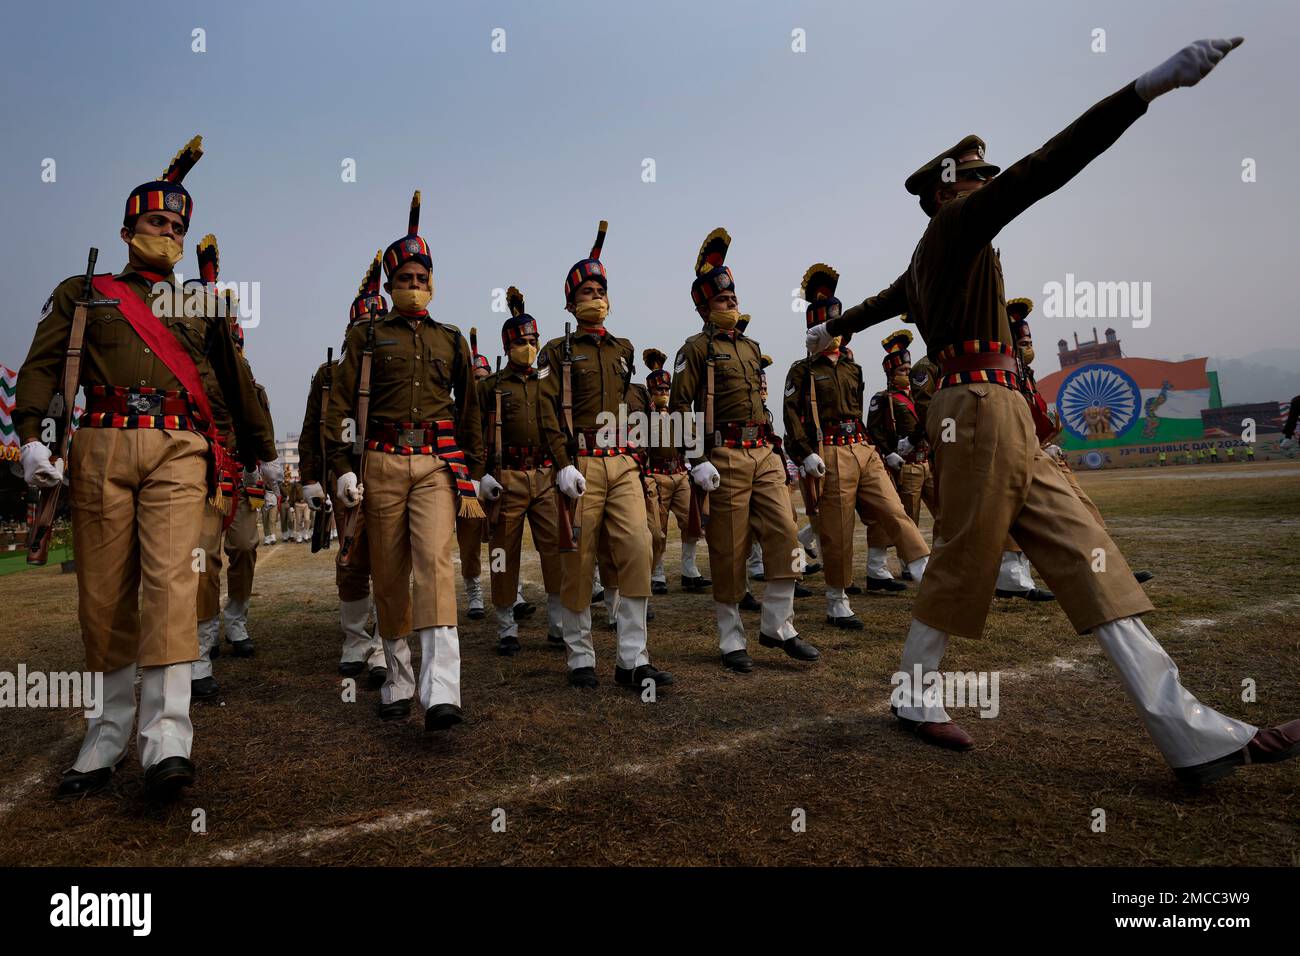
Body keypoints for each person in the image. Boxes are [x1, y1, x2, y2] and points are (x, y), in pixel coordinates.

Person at [808, 38, 1299, 785]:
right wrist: (1146, 89)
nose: (988, 187)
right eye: (976, 179)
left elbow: (882, 300)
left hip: (1003, 409)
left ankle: (1193, 735)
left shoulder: (933, 254)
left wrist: (838, 327)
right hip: (975, 406)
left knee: (1087, 556)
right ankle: (913, 696)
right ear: (947, 190)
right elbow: (1048, 166)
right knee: (965, 553)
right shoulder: (956, 228)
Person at [17, 136, 268, 798]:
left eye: (177, 226)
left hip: (179, 451)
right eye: (157, 222)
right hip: (99, 445)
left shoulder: (200, 305)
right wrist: (36, 439)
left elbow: (236, 385)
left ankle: (167, 740)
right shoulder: (83, 291)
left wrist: (261, 454)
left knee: (170, 585)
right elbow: (44, 371)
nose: (168, 233)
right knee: (101, 595)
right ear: (128, 229)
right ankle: (107, 735)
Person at [327, 191, 484, 731]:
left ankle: (442, 688)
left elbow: (471, 411)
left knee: (436, 565)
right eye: (405, 280)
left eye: (422, 279)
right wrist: (342, 465)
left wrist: (475, 468)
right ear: (390, 287)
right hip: (381, 461)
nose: (414, 287)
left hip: (437, 464)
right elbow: (341, 406)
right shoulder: (365, 337)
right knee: (389, 572)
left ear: (433, 284)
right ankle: (397, 675)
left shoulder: (452, 340)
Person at [670, 229, 820, 673]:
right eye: (721, 299)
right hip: (724, 457)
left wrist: (778, 449)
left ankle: (778, 625)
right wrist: (695, 461)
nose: (731, 302)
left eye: (733, 295)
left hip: (763, 453)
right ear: (703, 307)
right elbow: (679, 407)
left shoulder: (751, 347)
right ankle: (730, 637)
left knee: (786, 536)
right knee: (729, 550)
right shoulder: (695, 350)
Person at [537, 221, 672, 691]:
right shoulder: (556, 351)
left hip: (623, 463)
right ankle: (579, 655)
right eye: (586, 291)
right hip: (581, 464)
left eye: (600, 289)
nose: (595, 296)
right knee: (578, 558)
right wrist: (562, 464)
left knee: (638, 548)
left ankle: (633, 659)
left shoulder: (624, 349)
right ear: (571, 304)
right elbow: (547, 413)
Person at [784, 265, 929, 630]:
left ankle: (925, 570)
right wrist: (805, 453)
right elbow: (792, 417)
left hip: (862, 447)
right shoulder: (801, 371)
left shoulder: (854, 368)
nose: (838, 334)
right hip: (829, 450)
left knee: (894, 509)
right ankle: (837, 599)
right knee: (837, 528)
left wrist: (874, 449)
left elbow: (860, 412)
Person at [187, 235, 281, 700]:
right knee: (203, 562)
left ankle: (236, 619)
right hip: (200, 476)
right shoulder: (183, 370)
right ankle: (201, 646)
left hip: (241, 479)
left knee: (244, 548)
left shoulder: (251, 383)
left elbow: (256, 422)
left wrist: (263, 466)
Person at [299, 252, 387, 686]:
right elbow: (313, 426)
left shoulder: (396, 365)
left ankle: (388, 644)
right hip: (345, 473)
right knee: (352, 557)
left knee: (391, 557)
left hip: (390, 470)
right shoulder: (329, 373)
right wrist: (310, 477)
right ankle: (356, 639)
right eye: (362, 322)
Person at [478, 286, 564, 656]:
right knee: (502, 554)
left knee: (557, 550)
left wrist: (566, 468)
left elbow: (562, 428)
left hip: (545, 476)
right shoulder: (491, 387)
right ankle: (506, 628)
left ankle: (560, 624)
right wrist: (481, 474)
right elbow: (477, 433)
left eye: (533, 339)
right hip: (507, 477)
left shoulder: (552, 382)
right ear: (507, 345)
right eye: (522, 341)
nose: (529, 346)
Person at [642, 348, 711, 595]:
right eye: (658, 390)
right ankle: (657, 573)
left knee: (692, 524)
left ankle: (689, 570)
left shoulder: (679, 414)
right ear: (650, 391)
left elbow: (692, 440)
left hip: (681, 474)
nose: (663, 394)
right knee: (656, 531)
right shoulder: (642, 416)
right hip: (656, 477)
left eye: (666, 390)